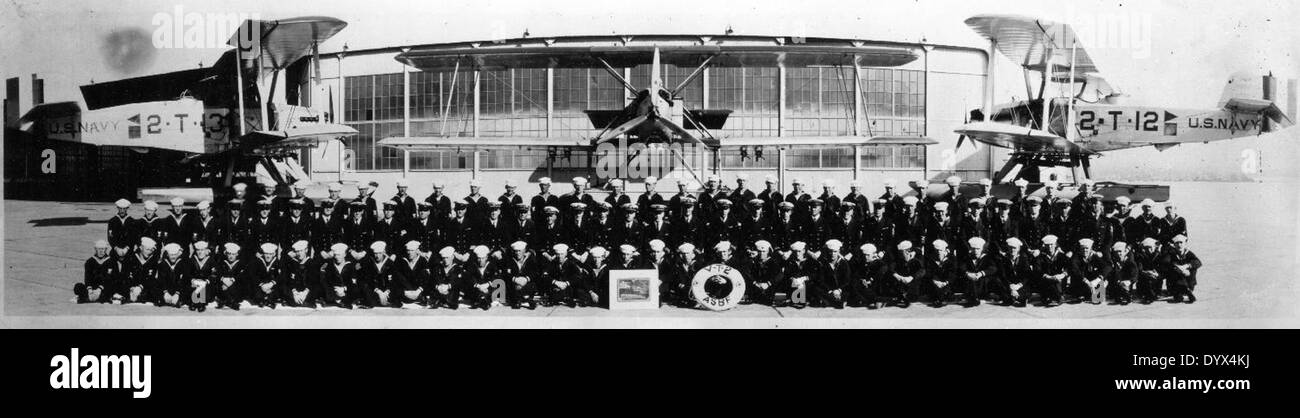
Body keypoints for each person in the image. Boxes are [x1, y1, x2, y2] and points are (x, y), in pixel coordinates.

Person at [1068, 238, 1112, 304]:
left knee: (1099, 299)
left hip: (1094, 282)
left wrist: (1098, 279)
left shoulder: (1095, 256)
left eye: (1087, 248)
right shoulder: (1076, 257)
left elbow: (1107, 267)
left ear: (1091, 249)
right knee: (1080, 294)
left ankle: (1097, 293)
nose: (1085, 250)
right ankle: (1083, 294)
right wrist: (1086, 281)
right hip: (1082, 281)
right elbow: (1075, 270)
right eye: (1083, 248)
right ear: (1080, 249)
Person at [359, 241, 400, 308]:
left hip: (387, 291)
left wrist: (386, 292)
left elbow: (394, 280)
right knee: (365, 287)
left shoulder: (390, 263)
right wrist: (379, 292)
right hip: (375, 290)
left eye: (379, 253)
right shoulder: (369, 263)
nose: (377, 256)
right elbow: (368, 279)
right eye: (375, 253)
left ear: (384, 252)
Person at [958, 237, 997, 307]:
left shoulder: (987, 257)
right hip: (970, 280)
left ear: (982, 249)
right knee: (970, 281)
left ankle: (978, 297)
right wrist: (967, 273)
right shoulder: (967, 257)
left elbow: (993, 268)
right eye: (973, 249)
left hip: (983, 282)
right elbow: (961, 267)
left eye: (978, 249)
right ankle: (974, 298)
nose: (976, 251)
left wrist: (981, 273)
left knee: (983, 280)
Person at [500, 241, 540, 309]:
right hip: (514, 284)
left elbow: (535, 272)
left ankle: (521, 300)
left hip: (526, 283)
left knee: (531, 285)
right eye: (516, 251)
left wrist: (526, 279)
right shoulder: (509, 260)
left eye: (519, 251)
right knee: (512, 287)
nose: (518, 253)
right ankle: (525, 299)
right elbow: (505, 273)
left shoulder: (530, 260)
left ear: (524, 251)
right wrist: (515, 279)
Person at [121, 237, 160, 304]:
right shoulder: (131, 258)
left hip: (143, 287)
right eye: (147, 249)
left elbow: (150, 278)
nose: (149, 252)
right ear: (141, 248)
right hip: (131, 286)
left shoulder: (153, 260)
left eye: (151, 250)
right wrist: (131, 288)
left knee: (154, 286)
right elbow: (125, 275)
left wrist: (140, 288)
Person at [320, 243, 359, 309]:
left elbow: (353, 282)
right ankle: (337, 301)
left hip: (346, 291)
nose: (337, 257)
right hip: (334, 292)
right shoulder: (329, 266)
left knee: (356, 289)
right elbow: (326, 282)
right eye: (335, 255)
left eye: (339, 255)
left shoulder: (350, 266)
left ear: (344, 255)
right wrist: (336, 290)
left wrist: (344, 289)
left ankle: (343, 301)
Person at [848, 243, 887, 309]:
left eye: (868, 255)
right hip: (865, 286)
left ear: (874, 254)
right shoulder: (862, 263)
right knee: (854, 283)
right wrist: (862, 280)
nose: (866, 257)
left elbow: (880, 277)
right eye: (864, 255)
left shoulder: (880, 264)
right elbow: (857, 274)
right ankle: (871, 300)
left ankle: (877, 299)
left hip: (875, 286)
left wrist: (870, 281)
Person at [1164, 234, 1201, 303]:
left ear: (1185, 244)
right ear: (1174, 245)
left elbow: (1198, 262)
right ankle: (1182, 293)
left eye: (1181, 243)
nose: (1179, 245)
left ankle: (1186, 291)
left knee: (1193, 268)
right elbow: (1166, 262)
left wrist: (1187, 266)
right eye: (1177, 243)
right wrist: (1180, 269)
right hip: (1174, 283)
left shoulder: (1188, 253)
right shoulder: (1171, 253)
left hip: (1188, 282)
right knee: (1172, 270)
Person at [997, 238, 1034, 307]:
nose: (1012, 250)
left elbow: (1027, 275)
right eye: (1010, 248)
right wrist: (1010, 286)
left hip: (1020, 284)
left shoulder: (1023, 258)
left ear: (1018, 249)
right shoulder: (1004, 259)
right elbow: (1003, 275)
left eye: (1014, 248)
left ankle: (1017, 298)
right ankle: (1015, 298)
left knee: (1026, 291)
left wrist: (1019, 285)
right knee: (1003, 290)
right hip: (1009, 284)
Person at [782, 241, 819, 309]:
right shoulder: (790, 261)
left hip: (806, 284)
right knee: (791, 282)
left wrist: (804, 278)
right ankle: (794, 299)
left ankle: (803, 300)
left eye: (799, 251)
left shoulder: (809, 261)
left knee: (810, 284)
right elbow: (787, 273)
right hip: (794, 283)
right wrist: (793, 279)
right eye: (795, 251)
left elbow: (813, 274)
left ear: (804, 251)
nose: (797, 253)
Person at [247, 243, 284, 309]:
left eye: (270, 254)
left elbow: (280, 276)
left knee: (279, 289)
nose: (268, 256)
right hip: (261, 286)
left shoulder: (277, 262)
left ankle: (269, 300)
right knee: (253, 290)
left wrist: (271, 284)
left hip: (271, 286)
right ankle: (263, 300)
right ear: (263, 254)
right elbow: (253, 275)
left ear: (274, 254)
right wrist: (262, 285)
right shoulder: (257, 262)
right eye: (266, 253)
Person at [665, 243, 703, 307]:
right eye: (683, 254)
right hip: (680, 296)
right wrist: (678, 283)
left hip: (696, 295)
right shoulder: (677, 266)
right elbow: (673, 280)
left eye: (687, 253)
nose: (685, 255)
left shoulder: (699, 266)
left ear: (693, 254)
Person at [1036, 235, 1070, 307]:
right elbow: (1038, 269)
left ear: (1055, 244)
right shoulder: (1041, 257)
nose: (1050, 247)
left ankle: (1059, 296)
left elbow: (1068, 267)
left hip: (1059, 280)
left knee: (1057, 282)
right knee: (1046, 283)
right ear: (1044, 246)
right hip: (1047, 279)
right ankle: (1052, 297)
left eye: (1051, 244)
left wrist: (1062, 275)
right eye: (1047, 245)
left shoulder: (1061, 255)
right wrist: (1047, 276)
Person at [181, 240, 216, 311]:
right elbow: (187, 273)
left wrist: (207, 281)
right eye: (198, 250)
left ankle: (201, 303)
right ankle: (193, 302)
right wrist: (193, 280)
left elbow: (214, 274)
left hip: (205, 284)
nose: (200, 252)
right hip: (194, 283)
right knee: (191, 286)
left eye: (202, 250)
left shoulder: (211, 260)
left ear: (206, 250)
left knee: (204, 287)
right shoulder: (192, 260)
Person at [814, 239, 849, 309]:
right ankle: (837, 302)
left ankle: (830, 301)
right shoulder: (823, 263)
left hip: (841, 289)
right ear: (827, 252)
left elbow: (847, 280)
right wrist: (831, 291)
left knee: (851, 289)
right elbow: (821, 280)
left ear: (839, 252)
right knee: (816, 289)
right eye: (830, 252)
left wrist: (839, 290)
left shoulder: (844, 263)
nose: (832, 254)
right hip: (829, 289)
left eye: (835, 252)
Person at [461, 245, 498, 310]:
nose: (480, 260)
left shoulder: (492, 265)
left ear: (486, 257)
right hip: (477, 288)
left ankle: (481, 301)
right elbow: (469, 277)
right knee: (473, 291)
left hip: (488, 288)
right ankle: (482, 301)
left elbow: (495, 277)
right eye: (479, 258)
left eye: (483, 258)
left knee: (491, 292)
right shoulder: (473, 265)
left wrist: (487, 284)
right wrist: (478, 286)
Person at [396, 241, 431, 307]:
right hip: (406, 292)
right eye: (408, 250)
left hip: (419, 292)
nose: (409, 253)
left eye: (412, 250)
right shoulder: (403, 261)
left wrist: (418, 291)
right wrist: (405, 292)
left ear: (417, 251)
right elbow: (399, 278)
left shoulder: (423, 261)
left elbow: (427, 279)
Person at [746, 240, 781, 306]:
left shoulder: (773, 262)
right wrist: (755, 283)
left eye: (764, 251)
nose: (762, 253)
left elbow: (779, 275)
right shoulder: (753, 262)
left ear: (768, 251)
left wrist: (768, 284)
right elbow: (747, 274)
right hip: (756, 288)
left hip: (769, 289)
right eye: (759, 251)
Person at [924, 239, 957, 307]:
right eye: (937, 250)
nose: (939, 252)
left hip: (946, 283)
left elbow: (953, 273)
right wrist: (935, 281)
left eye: (941, 250)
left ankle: (940, 298)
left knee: (946, 290)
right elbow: (929, 272)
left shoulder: (951, 260)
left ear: (945, 251)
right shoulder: (931, 260)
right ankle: (938, 299)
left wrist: (945, 282)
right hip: (935, 283)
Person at [213, 243, 246, 310]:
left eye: (233, 254)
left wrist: (231, 281)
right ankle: (229, 301)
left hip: (234, 285)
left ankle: (229, 301)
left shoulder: (240, 263)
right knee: (219, 285)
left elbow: (240, 275)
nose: (231, 256)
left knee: (239, 285)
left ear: (237, 254)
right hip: (224, 285)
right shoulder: (222, 262)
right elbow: (218, 273)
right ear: (226, 254)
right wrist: (223, 280)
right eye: (229, 254)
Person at [1133, 237, 1166, 304]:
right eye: (1146, 248)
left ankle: (1154, 294)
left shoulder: (1159, 255)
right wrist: (1146, 273)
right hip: (1145, 278)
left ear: (1154, 247)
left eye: (1151, 247)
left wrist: (1157, 274)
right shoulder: (1140, 256)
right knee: (1146, 281)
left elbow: (1163, 268)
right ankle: (1149, 296)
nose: (1149, 250)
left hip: (1156, 278)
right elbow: (1139, 268)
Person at [156, 243, 187, 308]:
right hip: (166, 291)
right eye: (171, 254)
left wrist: (177, 294)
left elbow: (183, 280)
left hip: (177, 291)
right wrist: (165, 293)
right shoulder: (163, 264)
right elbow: (161, 280)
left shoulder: (182, 264)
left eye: (175, 254)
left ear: (178, 254)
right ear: (167, 254)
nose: (173, 257)